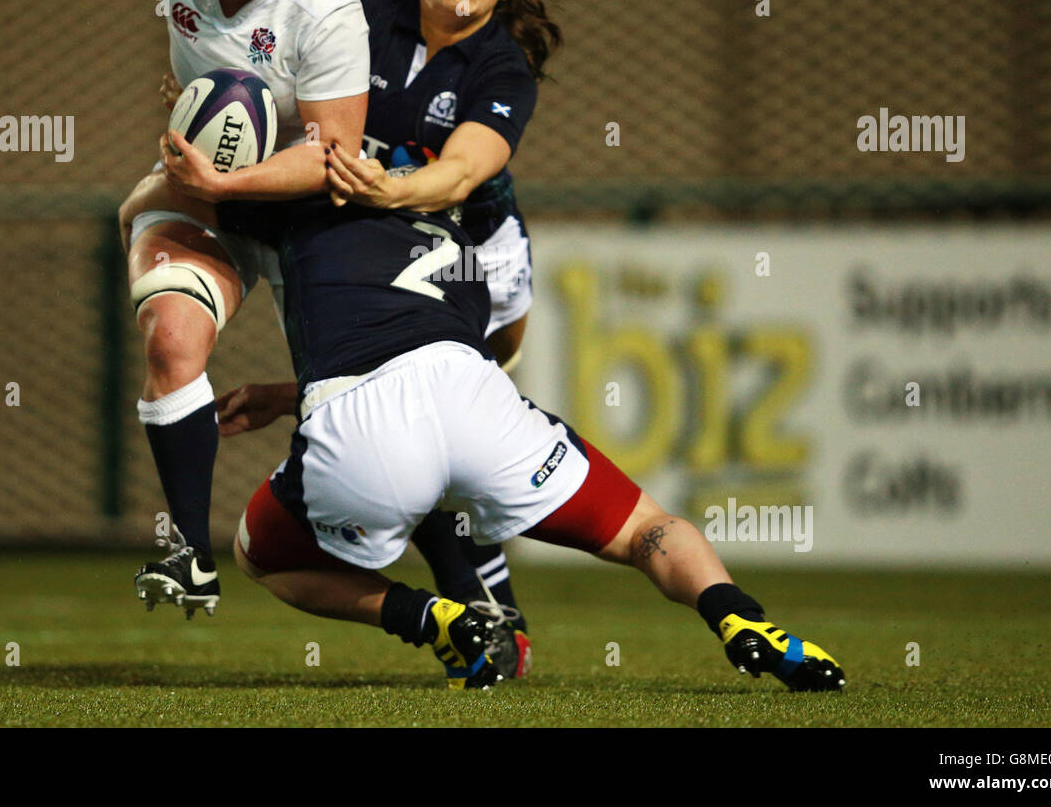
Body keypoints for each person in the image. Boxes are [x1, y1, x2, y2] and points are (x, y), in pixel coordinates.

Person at [219, 193, 847, 692]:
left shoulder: (307, 197)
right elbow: (489, 342)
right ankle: (738, 614)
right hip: (475, 393)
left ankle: (436, 617)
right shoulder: (472, 231)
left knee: (263, 556)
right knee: (645, 529)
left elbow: (211, 188)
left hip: (366, 418)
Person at [213, 0, 559, 676]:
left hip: (473, 243)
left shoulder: (502, 63)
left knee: (468, 388)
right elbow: (264, 57)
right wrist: (208, 82)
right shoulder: (360, 13)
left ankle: (482, 588)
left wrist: (388, 190)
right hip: (373, 243)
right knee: (397, 393)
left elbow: (463, 173)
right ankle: (488, 610)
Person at [118, 0, 369, 619]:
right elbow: (197, 59)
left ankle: (471, 594)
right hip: (204, 194)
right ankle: (191, 552)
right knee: (169, 339)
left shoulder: (324, 8)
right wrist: (191, 110)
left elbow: (336, 153)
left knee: (360, 421)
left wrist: (224, 178)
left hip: (302, 210)